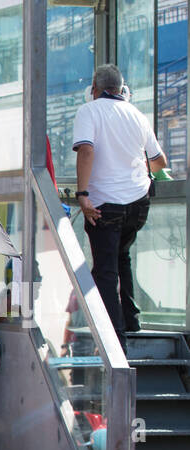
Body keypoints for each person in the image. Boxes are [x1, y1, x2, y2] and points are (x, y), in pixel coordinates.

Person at [73, 63, 167, 353]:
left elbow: (86, 150)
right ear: (120, 87)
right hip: (138, 205)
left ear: (95, 87)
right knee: (122, 257)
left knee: (105, 270)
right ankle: (132, 319)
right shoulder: (137, 114)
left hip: (104, 204)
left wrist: (83, 194)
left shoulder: (89, 111)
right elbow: (158, 161)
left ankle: (115, 342)